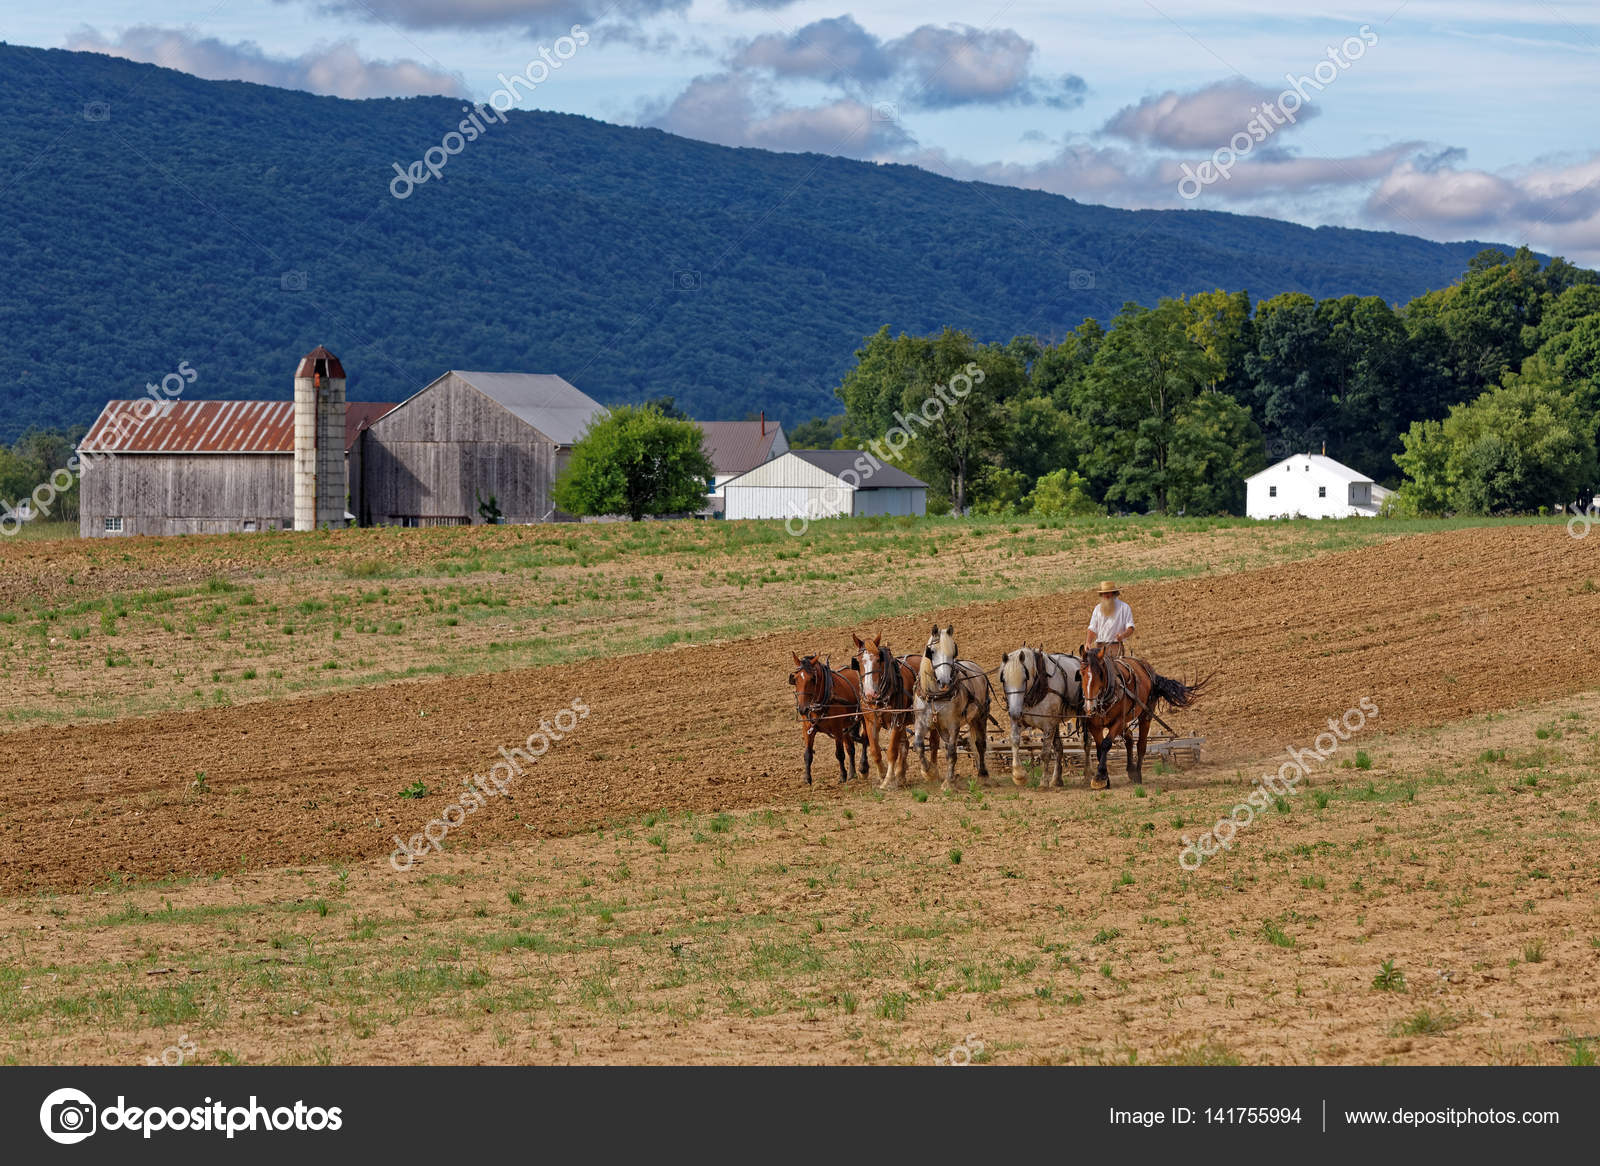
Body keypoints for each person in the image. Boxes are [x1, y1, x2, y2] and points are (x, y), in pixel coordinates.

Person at [1086, 580, 1134, 657]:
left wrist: (1122, 636)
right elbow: (1092, 628)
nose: (1106, 595)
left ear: (1113, 593)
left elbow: (1130, 628)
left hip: (1115, 646)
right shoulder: (1097, 608)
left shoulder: (1124, 607)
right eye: (1104, 593)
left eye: (1108, 593)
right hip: (1099, 647)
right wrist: (1088, 642)